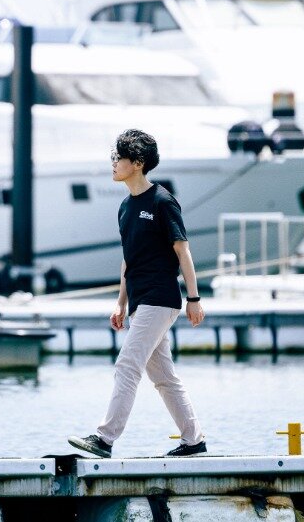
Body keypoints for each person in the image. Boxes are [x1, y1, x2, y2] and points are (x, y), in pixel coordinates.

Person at [68, 129, 206, 458]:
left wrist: (194, 299)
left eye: (119, 158)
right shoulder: (125, 208)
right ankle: (194, 441)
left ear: (138, 163)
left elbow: (183, 251)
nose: (114, 163)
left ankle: (104, 439)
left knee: (127, 365)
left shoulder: (162, 201)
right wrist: (120, 303)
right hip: (140, 301)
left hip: (160, 297)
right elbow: (128, 260)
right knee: (164, 377)